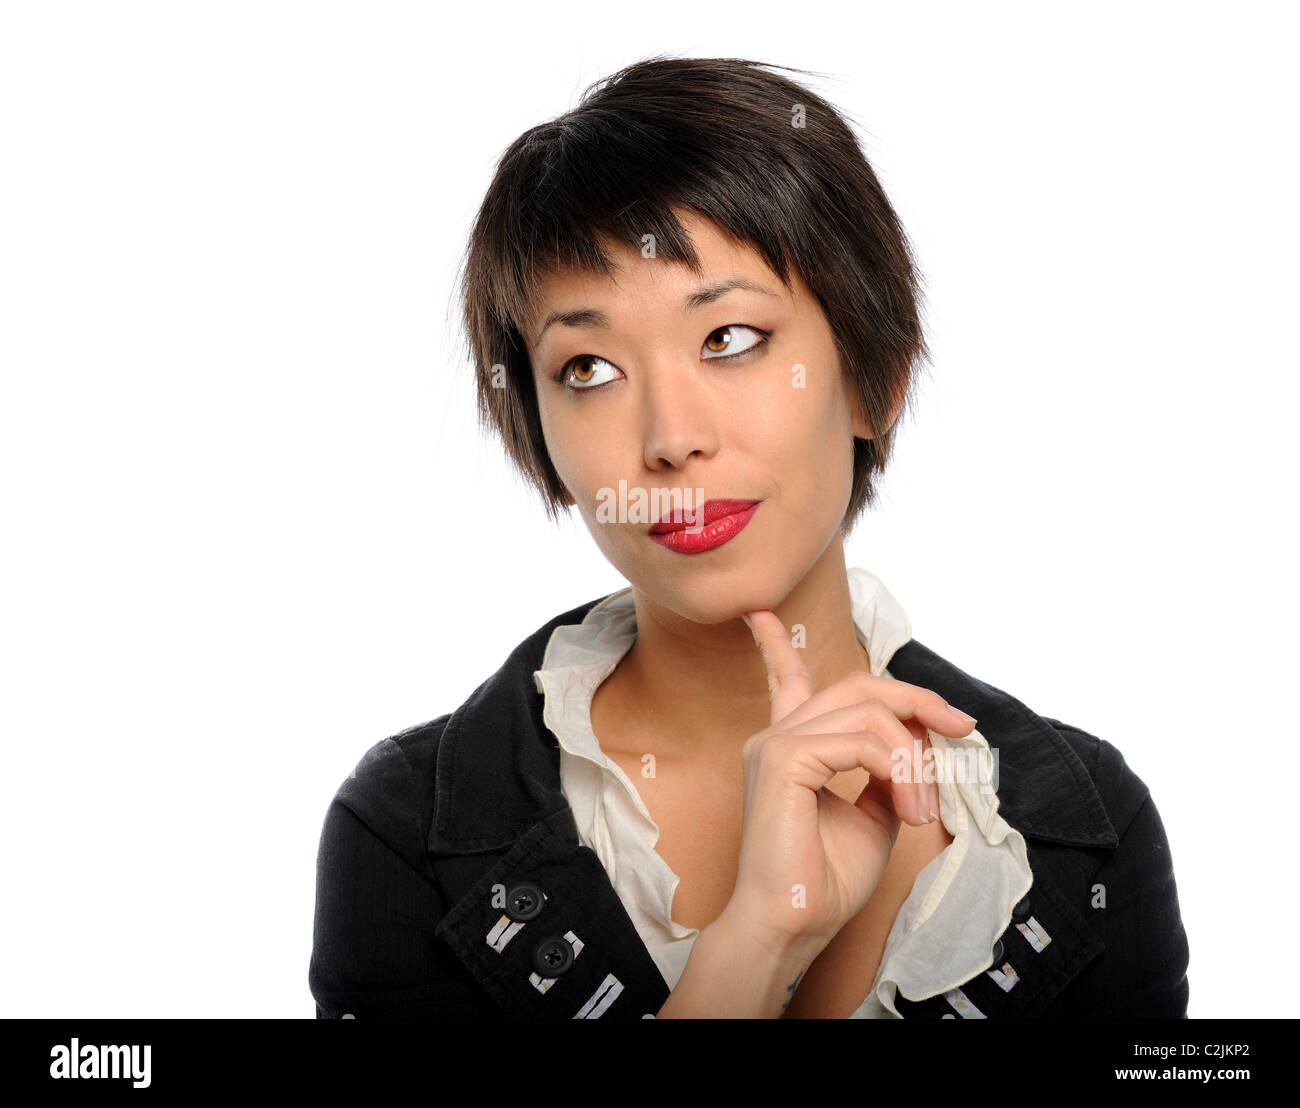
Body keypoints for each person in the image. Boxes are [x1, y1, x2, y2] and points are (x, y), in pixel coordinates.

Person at [308, 55, 1190, 1019]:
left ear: (874, 374)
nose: (672, 437)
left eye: (728, 338)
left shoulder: (1082, 832)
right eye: (590, 368)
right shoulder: (408, 833)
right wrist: (756, 943)